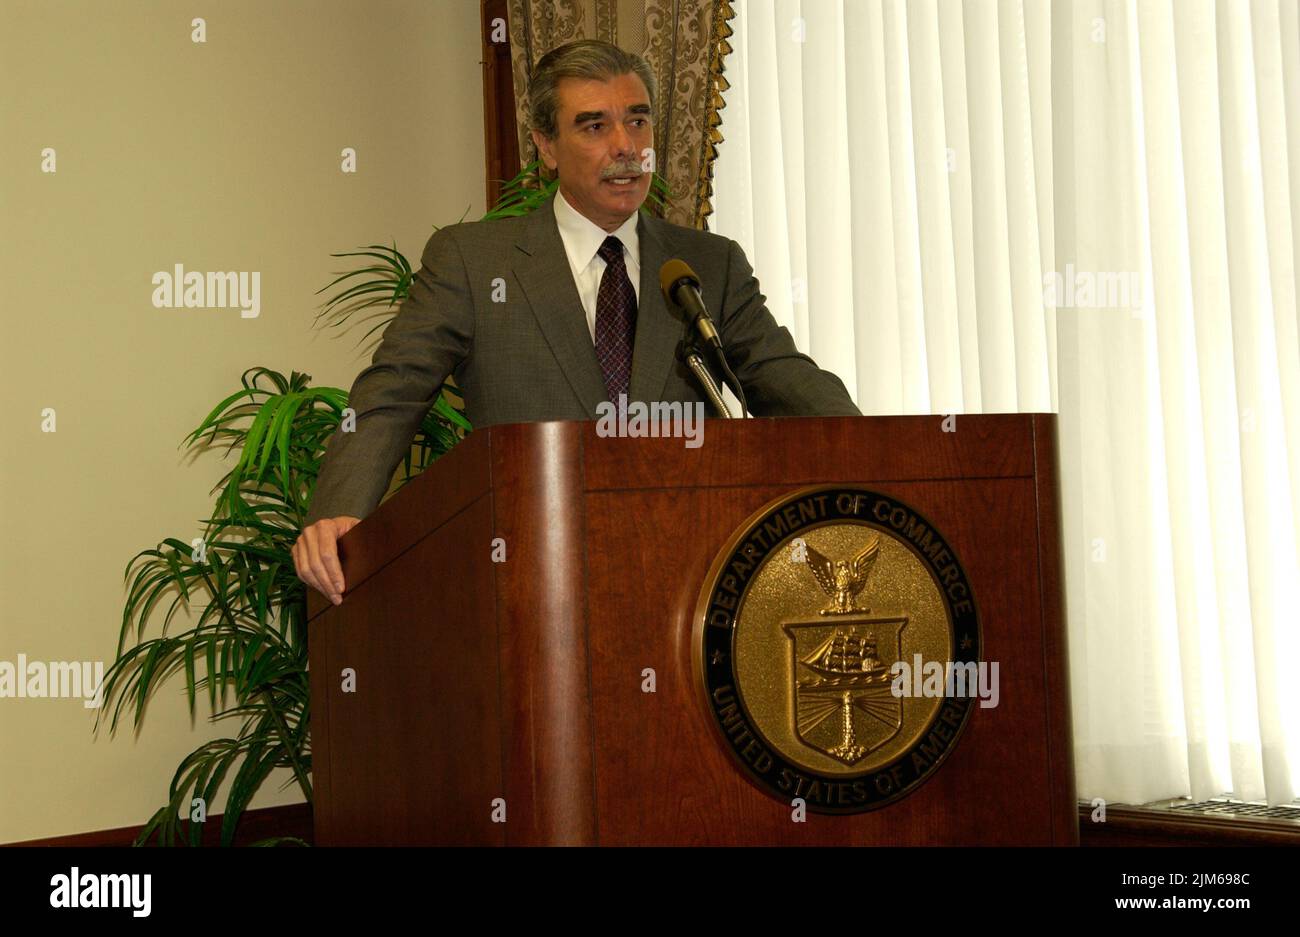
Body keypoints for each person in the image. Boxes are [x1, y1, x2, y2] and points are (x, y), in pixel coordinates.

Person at [294, 39, 860, 605]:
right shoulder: (474, 262)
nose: (626, 147)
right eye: (593, 127)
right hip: (530, 581)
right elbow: (393, 392)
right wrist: (339, 512)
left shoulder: (707, 265)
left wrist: (883, 456)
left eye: (637, 122)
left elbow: (785, 378)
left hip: (687, 585)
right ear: (546, 146)